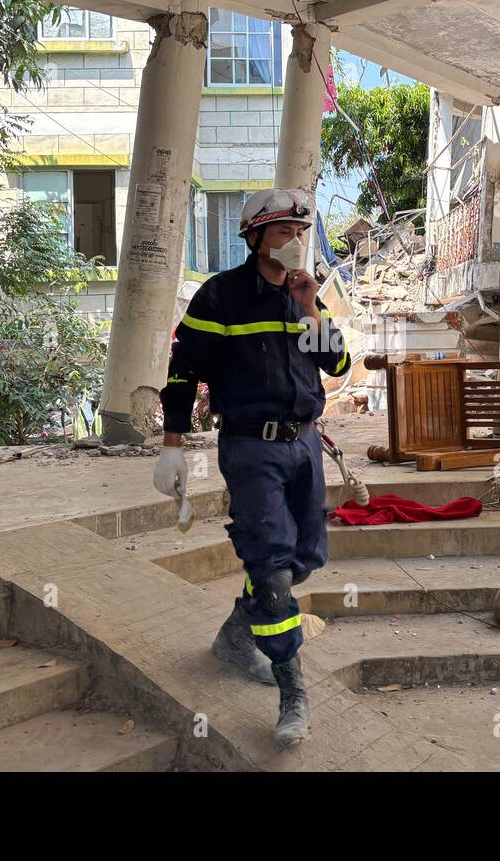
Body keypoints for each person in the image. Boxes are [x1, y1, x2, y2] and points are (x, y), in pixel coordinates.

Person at [153, 188, 350, 748]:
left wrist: (311, 305)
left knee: (304, 560)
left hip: (306, 446)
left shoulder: (305, 296)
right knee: (270, 567)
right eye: (284, 230)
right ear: (256, 235)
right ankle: (293, 692)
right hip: (250, 447)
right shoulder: (219, 298)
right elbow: (182, 371)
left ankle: (236, 636)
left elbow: (335, 362)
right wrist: (173, 444)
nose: (294, 241)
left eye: (300, 232)